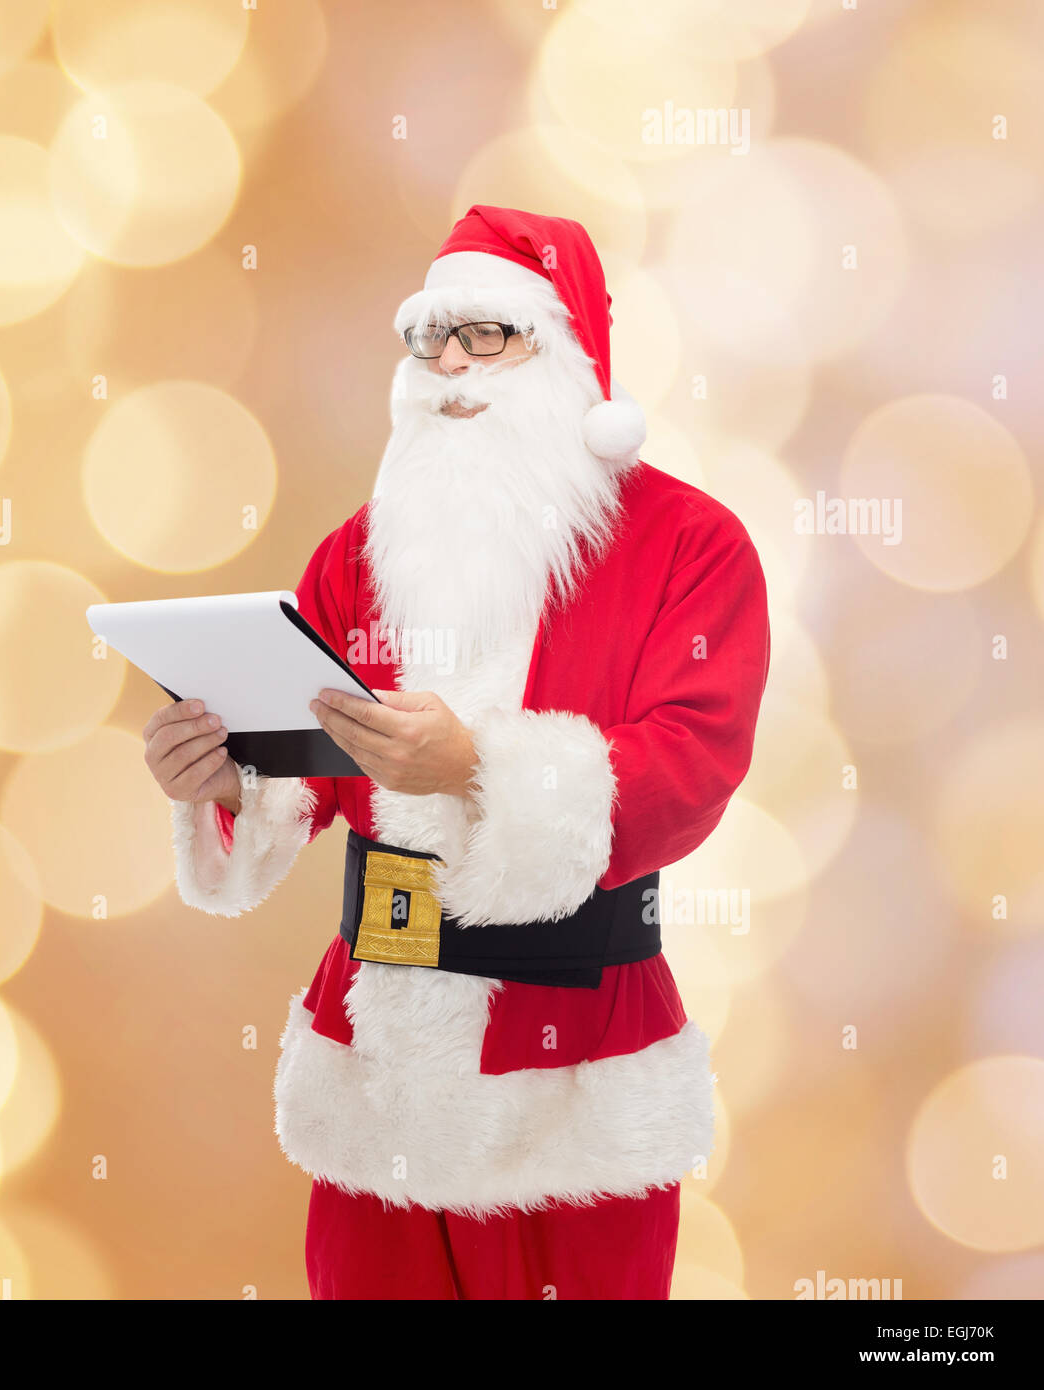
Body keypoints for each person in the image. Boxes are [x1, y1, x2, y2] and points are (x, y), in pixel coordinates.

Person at [143, 205, 770, 1300]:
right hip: (375, 1076)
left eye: (486, 333)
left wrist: (478, 765)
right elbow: (301, 769)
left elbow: (693, 762)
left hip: (573, 1083)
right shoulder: (357, 554)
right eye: (429, 336)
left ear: (566, 356)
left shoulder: (690, 545)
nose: (447, 363)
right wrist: (219, 782)